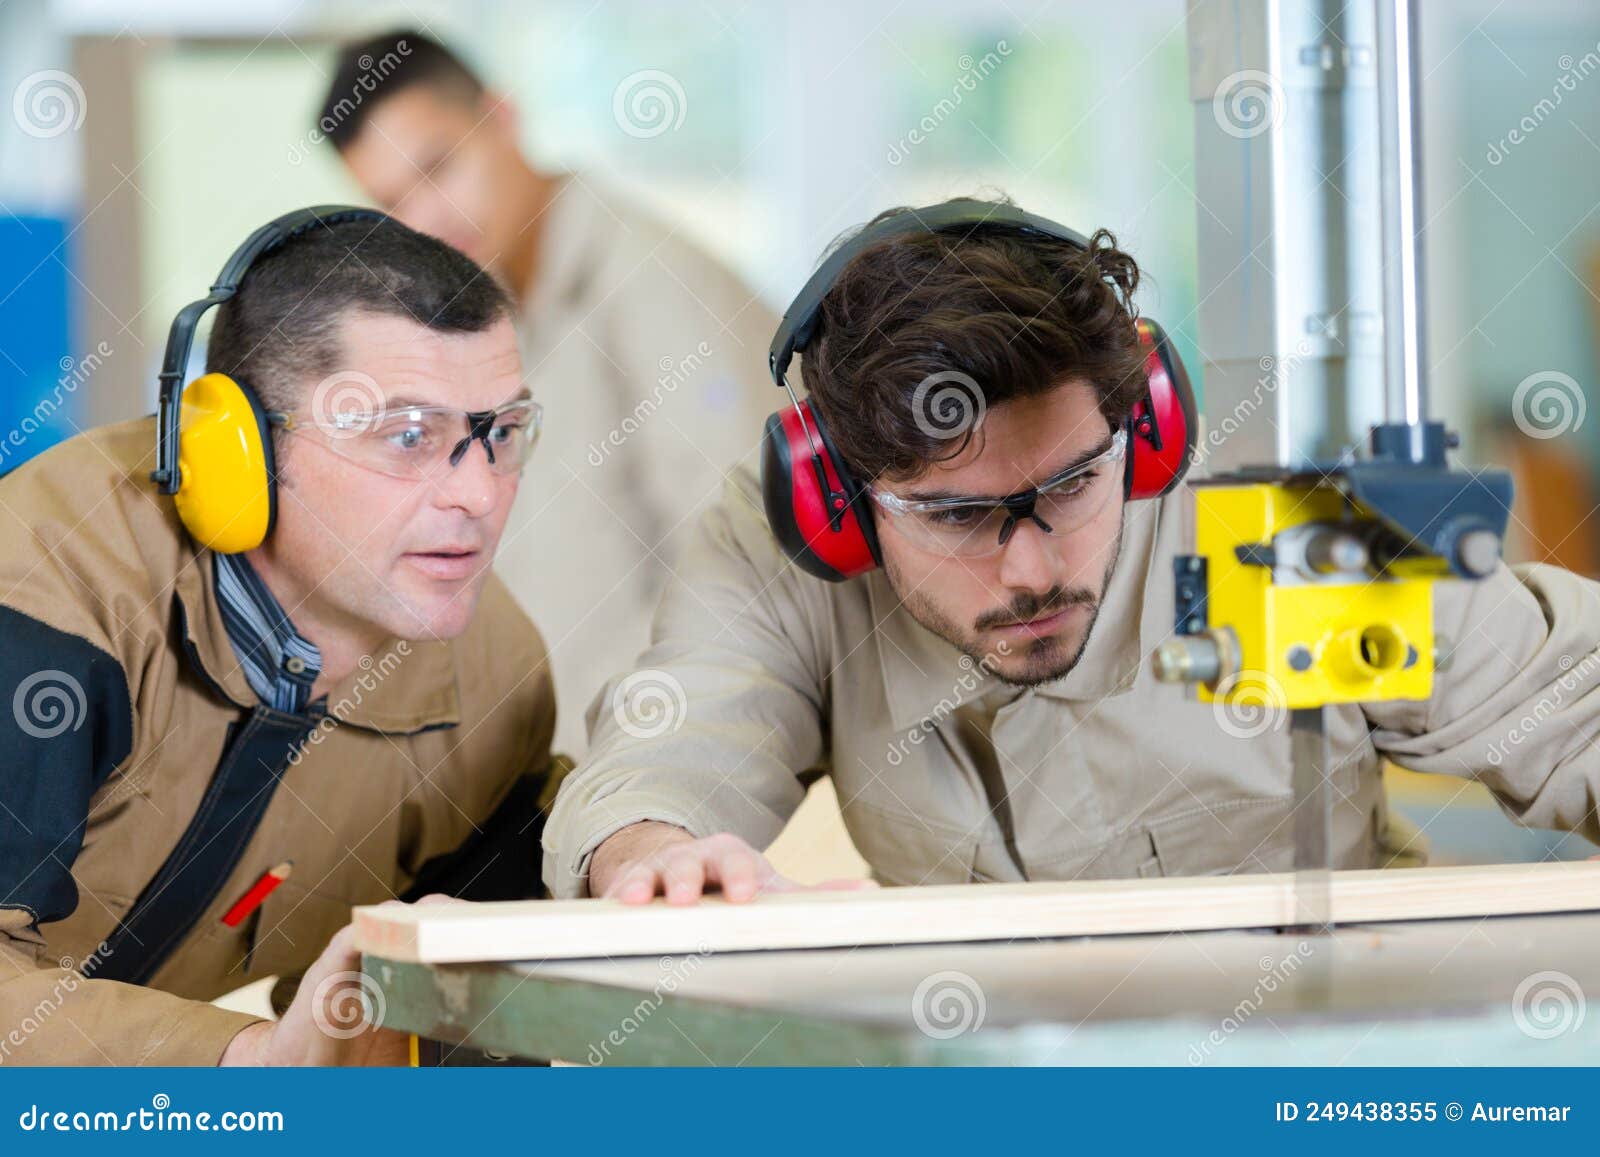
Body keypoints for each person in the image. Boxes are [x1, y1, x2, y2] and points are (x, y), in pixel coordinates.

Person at [543, 197, 1600, 903]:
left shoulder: (1251, 543)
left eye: (1071, 483)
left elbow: (1563, 703)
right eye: (955, 513)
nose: (1033, 569)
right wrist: (651, 855)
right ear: (839, 499)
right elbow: (671, 745)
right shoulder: (788, 562)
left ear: (1145, 432)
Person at [0, 209, 555, 1064]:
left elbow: (442, 1020)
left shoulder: (492, 675)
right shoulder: (46, 602)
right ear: (235, 451)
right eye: (409, 436)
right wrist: (255, 1060)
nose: (479, 496)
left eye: (501, 434)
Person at [320, 30, 778, 753]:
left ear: (501, 117)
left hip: (670, 782)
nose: (426, 218)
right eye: (392, 200)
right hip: (550, 784)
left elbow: (754, 580)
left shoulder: (659, 285)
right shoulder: (484, 314)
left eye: (439, 166)